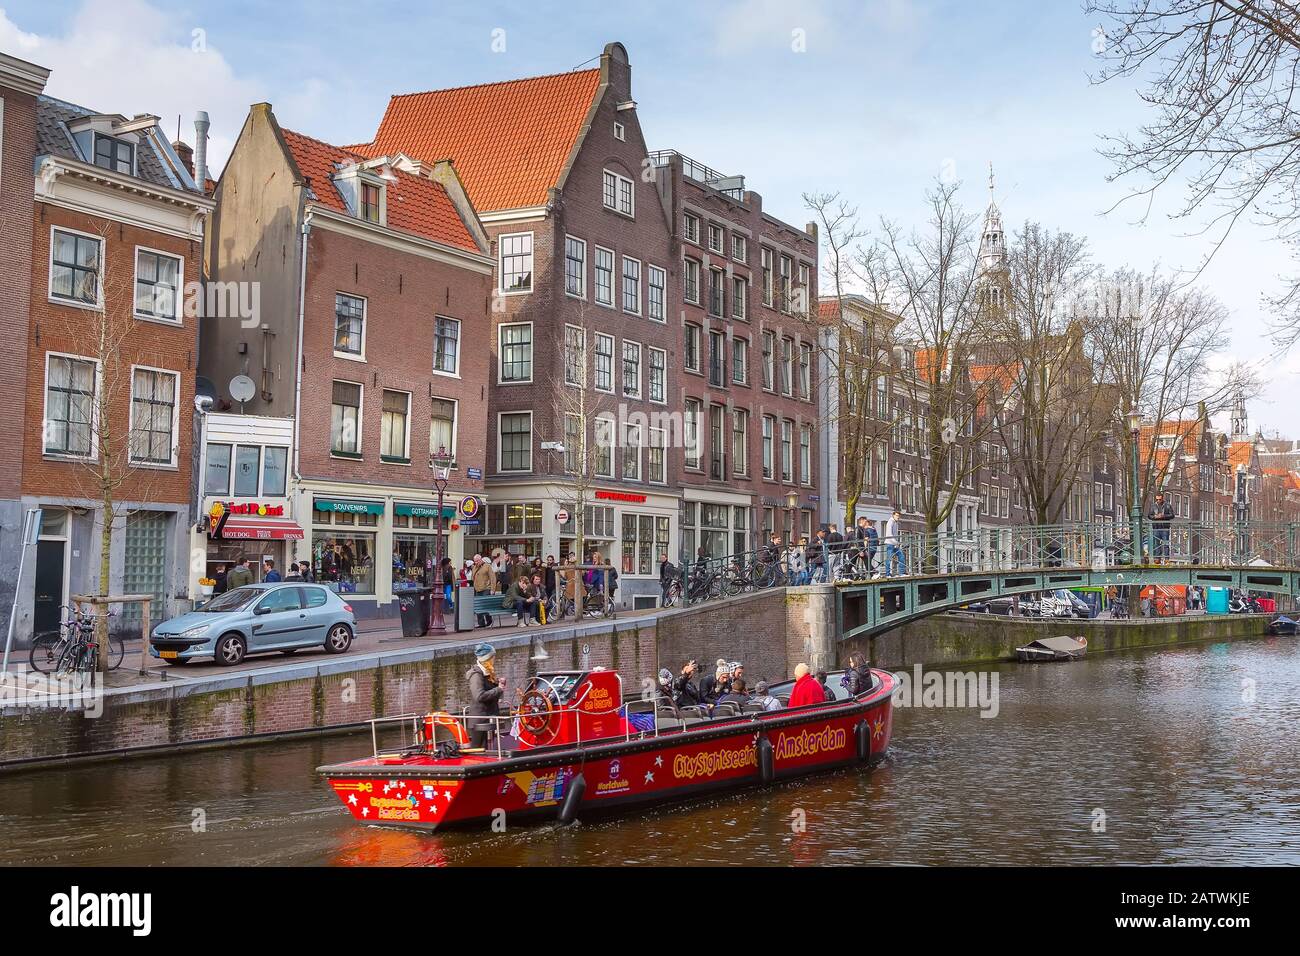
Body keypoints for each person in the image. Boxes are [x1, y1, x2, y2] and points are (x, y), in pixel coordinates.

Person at [466, 643, 505, 749]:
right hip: (480, 720)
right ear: (488, 658)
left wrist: (498, 684)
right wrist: (498, 689)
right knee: (478, 748)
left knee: (487, 748)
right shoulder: (476, 675)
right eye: (493, 657)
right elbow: (479, 696)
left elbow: (489, 690)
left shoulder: (487, 672)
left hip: (488, 717)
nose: (494, 659)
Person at [1149, 492, 1175, 564]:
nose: (1158, 501)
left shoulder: (1167, 505)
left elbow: (1172, 515)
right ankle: (1157, 558)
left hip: (1165, 527)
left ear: (1162, 498)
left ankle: (1167, 559)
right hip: (1156, 527)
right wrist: (1155, 517)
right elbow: (1149, 516)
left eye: (1159, 499)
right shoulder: (1153, 506)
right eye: (1157, 499)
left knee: (1166, 543)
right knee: (1156, 544)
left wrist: (1163, 516)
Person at [471, 555, 496, 628]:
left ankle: (489, 620)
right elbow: (473, 578)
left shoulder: (487, 566)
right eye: (474, 561)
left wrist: (492, 589)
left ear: (481, 559)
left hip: (486, 589)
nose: (475, 562)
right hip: (477, 589)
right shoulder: (474, 567)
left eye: (477, 561)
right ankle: (481, 623)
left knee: (485, 605)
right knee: (478, 606)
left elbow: (493, 578)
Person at [883, 510, 906, 577]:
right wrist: (896, 542)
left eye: (899, 516)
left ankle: (901, 573)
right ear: (893, 515)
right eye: (897, 516)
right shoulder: (890, 522)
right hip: (890, 543)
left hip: (894, 544)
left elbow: (895, 534)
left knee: (901, 556)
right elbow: (889, 534)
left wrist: (896, 543)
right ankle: (887, 574)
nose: (898, 517)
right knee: (889, 558)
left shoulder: (896, 522)